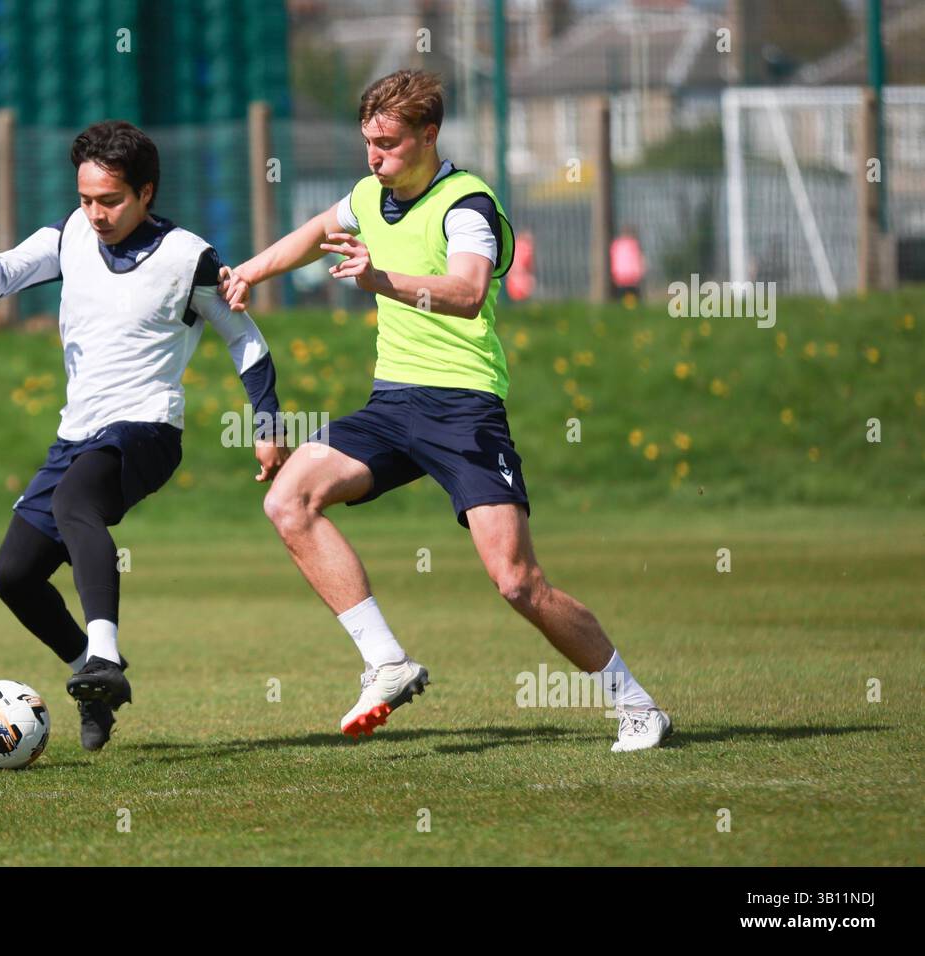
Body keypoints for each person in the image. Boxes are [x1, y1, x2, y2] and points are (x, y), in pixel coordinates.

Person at [220, 70, 671, 751]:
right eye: (368, 142)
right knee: (290, 500)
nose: (375, 157)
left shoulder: (467, 204)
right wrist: (249, 272)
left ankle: (635, 704)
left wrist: (380, 281)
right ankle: (387, 662)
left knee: (518, 583)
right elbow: (315, 231)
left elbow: (465, 292)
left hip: (464, 409)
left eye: (390, 143)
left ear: (429, 136)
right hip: (392, 404)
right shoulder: (370, 196)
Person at [0, 120, 287, 751]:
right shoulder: (70, 234)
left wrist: (266, 423)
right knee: (14, 576)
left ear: (146, 193)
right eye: (86, 198)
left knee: (76, 503)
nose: (95, 213)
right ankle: (92, 677)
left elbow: (247, 341)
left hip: (148, 427)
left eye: (110, 200)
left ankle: (105, 655)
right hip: (76, 434)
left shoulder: (190, 257)